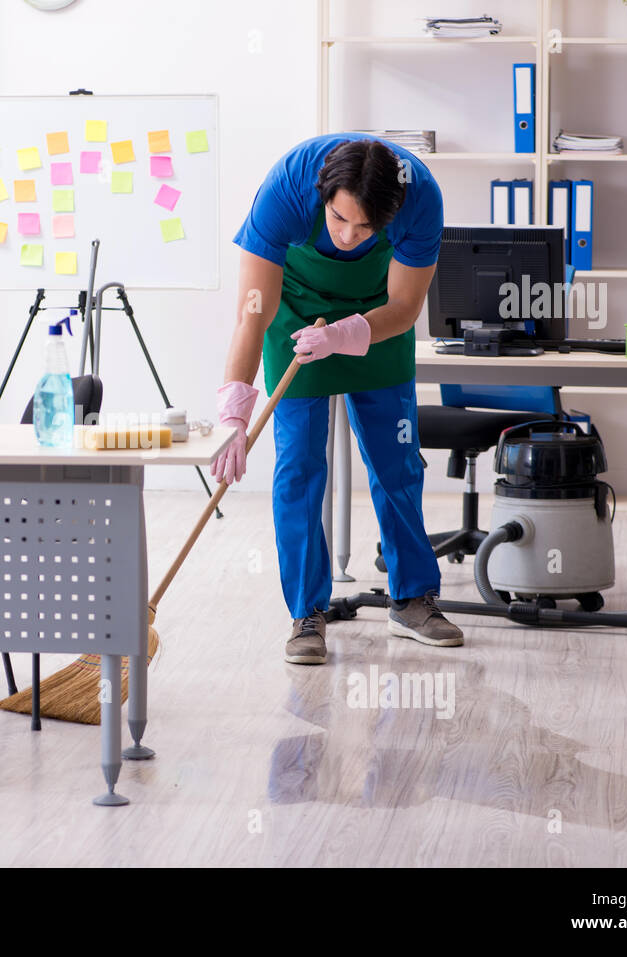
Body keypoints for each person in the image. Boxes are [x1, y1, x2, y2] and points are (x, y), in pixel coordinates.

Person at [213, 134, 463, 665]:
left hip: (377, 316)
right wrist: (235, 414)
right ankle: (307, 613)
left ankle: (413, 599)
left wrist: (346, 336)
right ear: (321, 195)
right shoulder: (284, 191)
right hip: (295, 310)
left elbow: (404, 306)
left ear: (391, 216)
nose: (349, 237)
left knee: (396, 463)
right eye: (337, 220)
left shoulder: (421, 200)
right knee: (300, 466)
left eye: (365, 228)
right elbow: (252, 312)